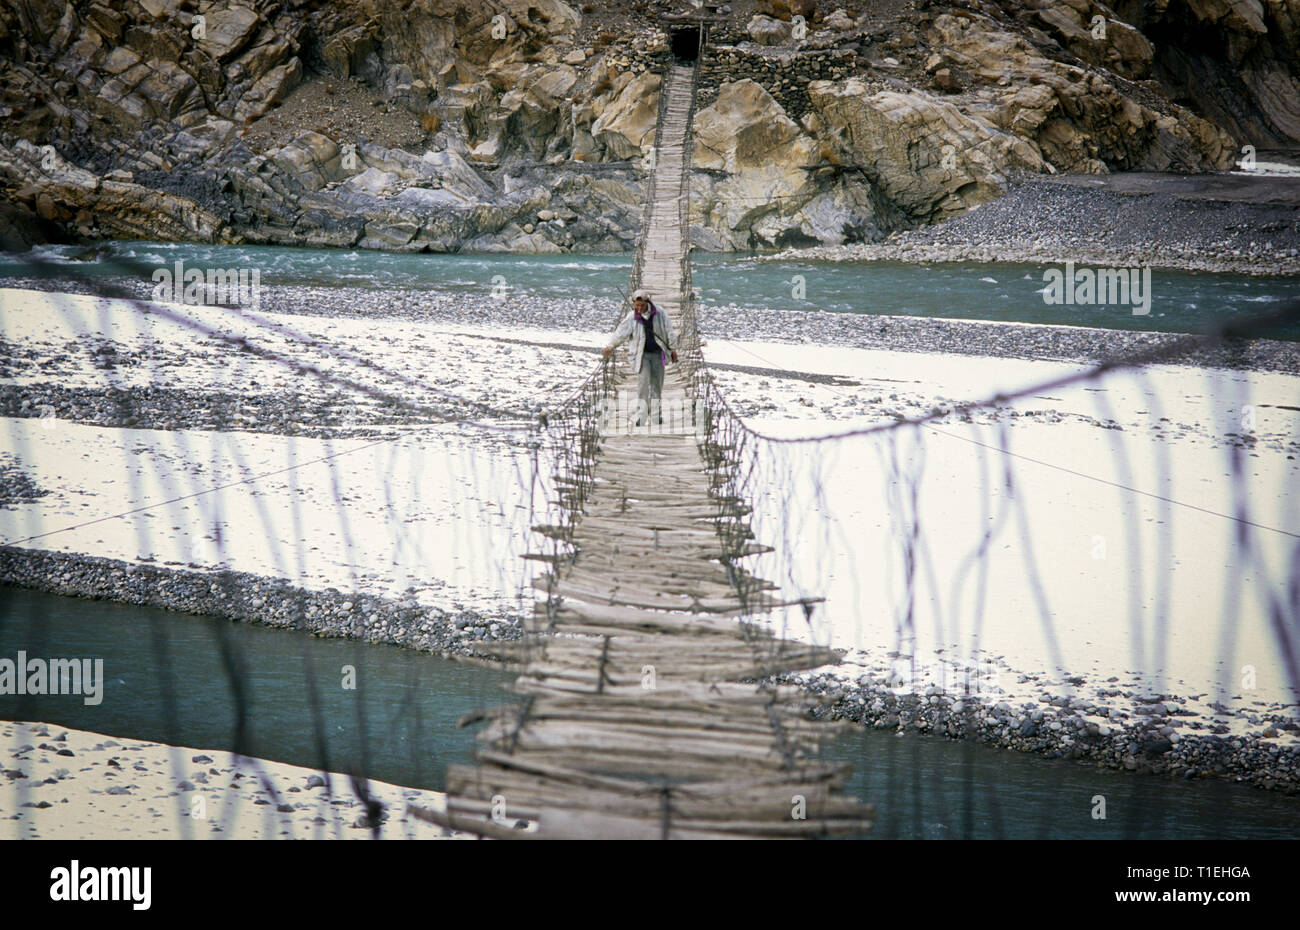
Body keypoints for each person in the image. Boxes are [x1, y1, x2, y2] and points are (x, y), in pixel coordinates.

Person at [603, 289, 678, 426]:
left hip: (657, 353)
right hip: (641, 355)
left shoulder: (660, 313)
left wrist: (673, 349)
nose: (639, 308)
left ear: (647, 302)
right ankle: (642, 416)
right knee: (643, 385)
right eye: (636, 306)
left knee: (657, 385)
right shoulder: (632, 317)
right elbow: (621, 332)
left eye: (641, 305)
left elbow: (669, 331)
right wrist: (610, 346)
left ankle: (656, 416)